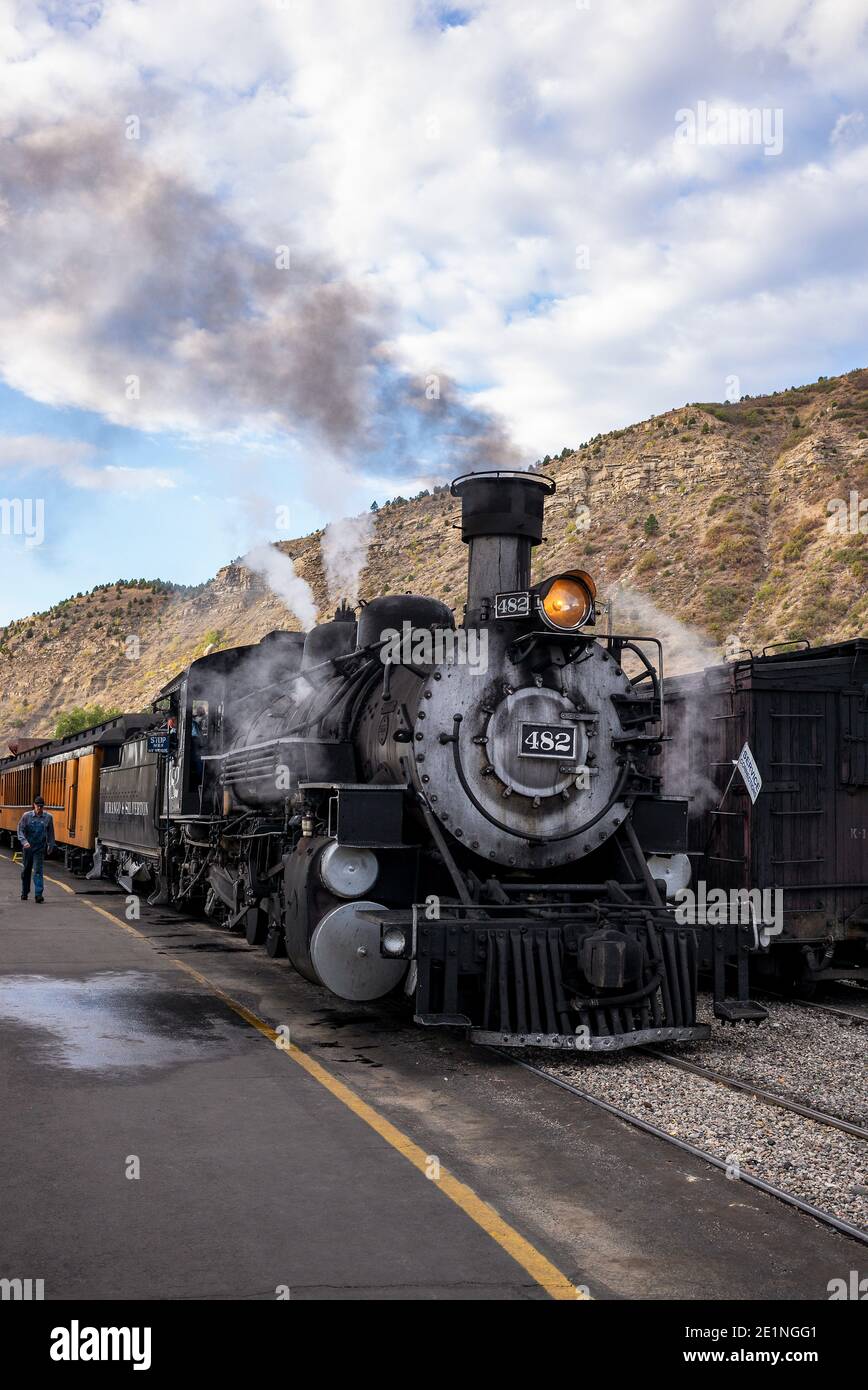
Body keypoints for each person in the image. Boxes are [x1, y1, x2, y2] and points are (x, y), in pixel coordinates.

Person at [18, 795, 56, 904]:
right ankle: (25, 892)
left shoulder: (48, 817)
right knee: (26, 870)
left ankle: (38, 894)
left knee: (38, 871)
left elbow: (50, 833)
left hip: (39, 847)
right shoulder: (26, 816)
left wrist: (50, 845)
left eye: (41, 806)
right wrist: (24, 842)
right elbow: (20, 830)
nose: (39, 808)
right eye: (37, 806)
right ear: (34, 805)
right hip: (28, 848)